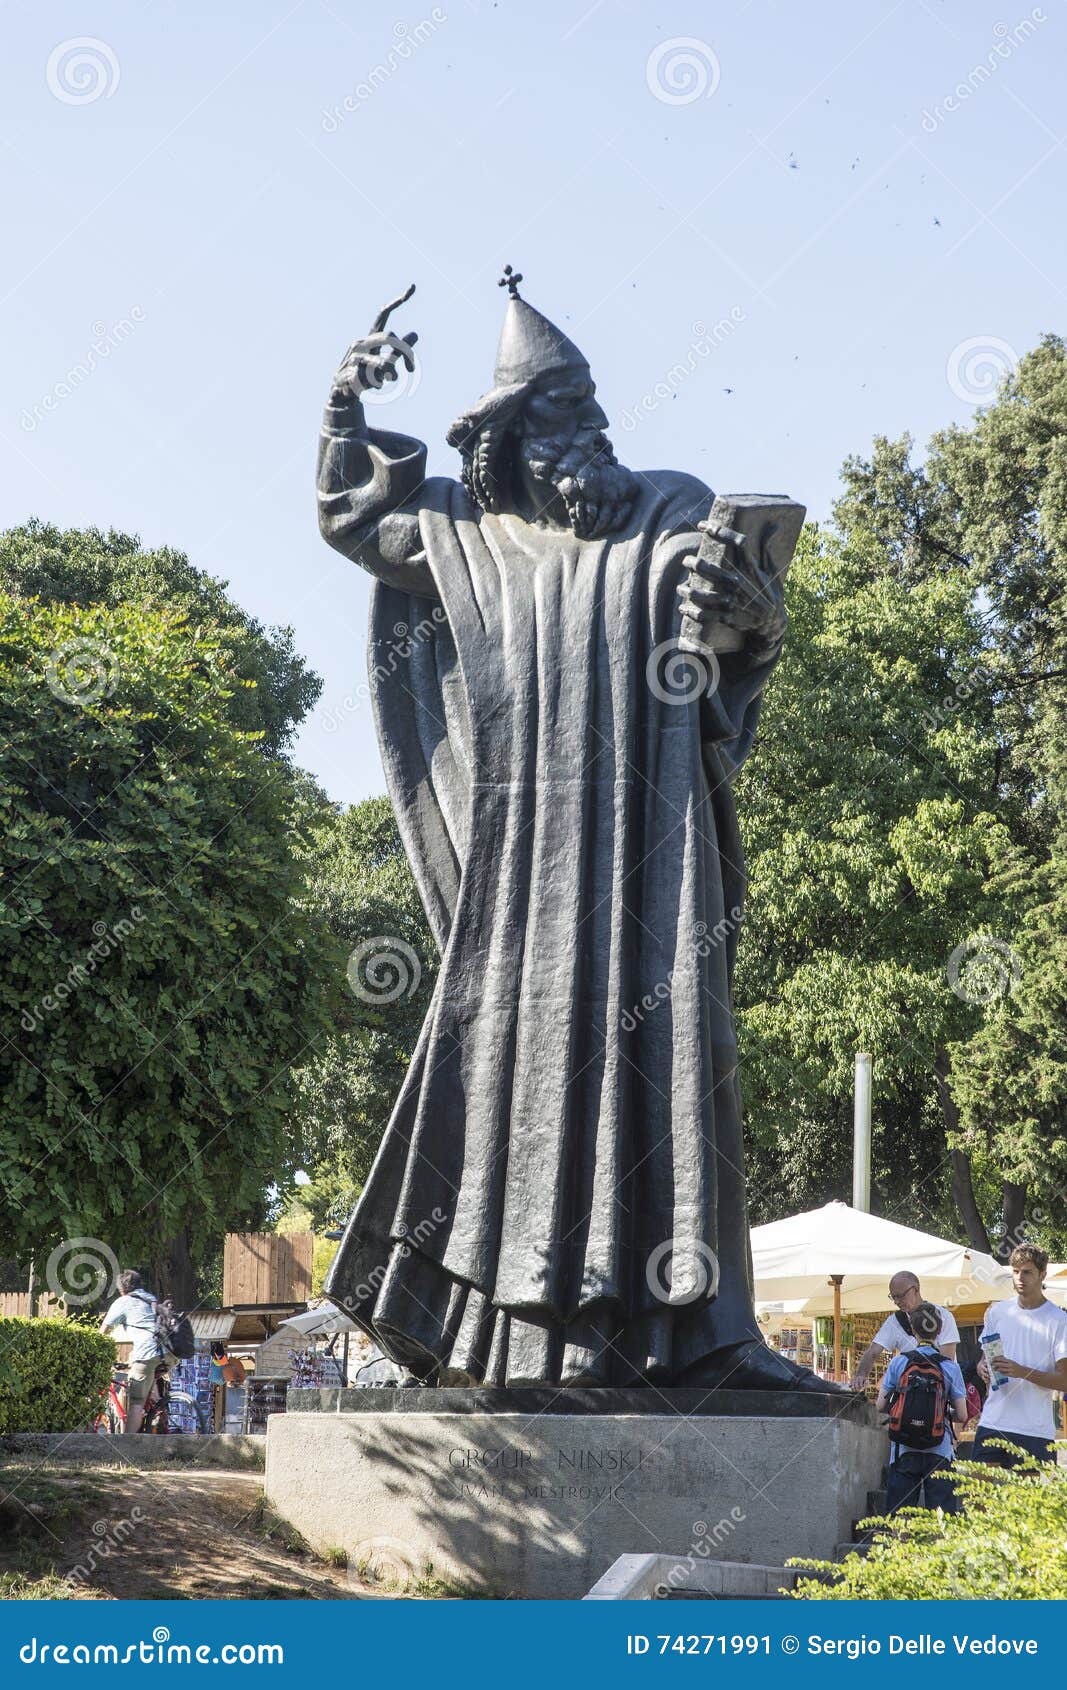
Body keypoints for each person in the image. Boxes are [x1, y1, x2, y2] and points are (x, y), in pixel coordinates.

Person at [973, 1243, 1067, 1468]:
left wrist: (1021, 1371)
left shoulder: (1059, 1320)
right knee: (978, 1501)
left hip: (1034, 1431)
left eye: (1027, 1272)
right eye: (1015, 1272)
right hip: (992, 1422)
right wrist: (982, 1368)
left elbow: (1064, 1381)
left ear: (1042, 1274)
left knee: (1025, 1504)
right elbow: (983, 1357)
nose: (1020, 1278)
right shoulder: (997, 1312)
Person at [876, 1301, 967, 1514]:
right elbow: (962, 1415)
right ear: (940, 1330)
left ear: (913, 1330)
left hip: (903, 1449)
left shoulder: (899, 1363)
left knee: (901, 1517)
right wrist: (941, 1413)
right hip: (940, 1450)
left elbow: (881, 1405)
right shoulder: (949, 1367)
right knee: (942, 1520)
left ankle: (901, 1546)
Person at [851, 1272, 959, 1390]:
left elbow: (947, 1361)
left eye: (901, 1295)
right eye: (893, 1297)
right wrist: (861, 1375)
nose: (897, 1301)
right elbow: (873, 1352)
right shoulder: (894, 1322)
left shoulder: (943, 1316)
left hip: (941, 1389)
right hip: (910, 1392)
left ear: (916, 1290)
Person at [100, 1269, 174, 1434]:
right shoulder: (151, 1299)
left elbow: (103, 1331)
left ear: (121, 1290)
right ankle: (157, 1412)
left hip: (148, 1352)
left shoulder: (123, 1301)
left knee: (136, 1403)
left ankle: (128, 1447)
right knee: (147, 1378)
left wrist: (95, 1349)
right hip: (170, 1351)